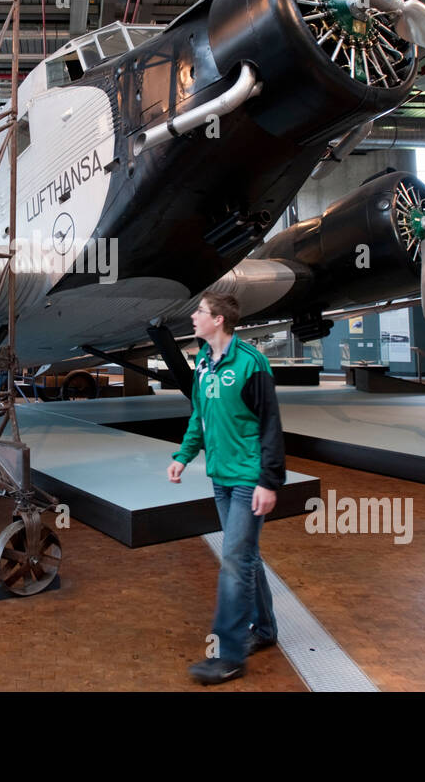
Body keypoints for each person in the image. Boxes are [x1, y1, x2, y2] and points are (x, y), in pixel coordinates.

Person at [168, 292, 286, 685]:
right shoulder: (202, 363)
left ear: (218, 320)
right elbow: (199, 416)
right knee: (246, 557)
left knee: (234, 563)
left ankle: (228, 655)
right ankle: (265, 630)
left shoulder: (251, 363)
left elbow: (270, 424)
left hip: (249, 479)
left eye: (200, 311)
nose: (193, 316)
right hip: (220, 478)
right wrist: (184, 456)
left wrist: (270, 481)